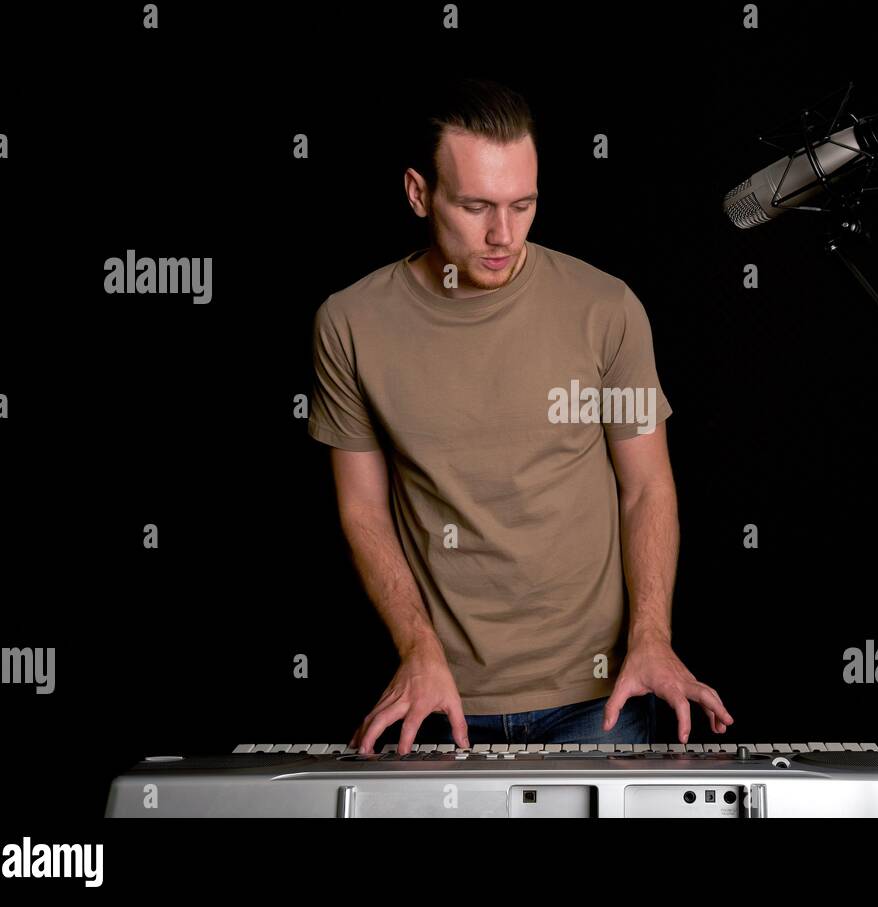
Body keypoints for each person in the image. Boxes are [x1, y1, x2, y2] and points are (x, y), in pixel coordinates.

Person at [308, 77, 733, 754]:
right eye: (475, 206)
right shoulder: (350, 322)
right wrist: (417, 648)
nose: (503, 234)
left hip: (602, 700)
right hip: (440, 700)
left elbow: (647, 487)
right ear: (419, 193)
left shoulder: (606, 309)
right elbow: (362, 507)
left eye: (522, 205)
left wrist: (653, 637)